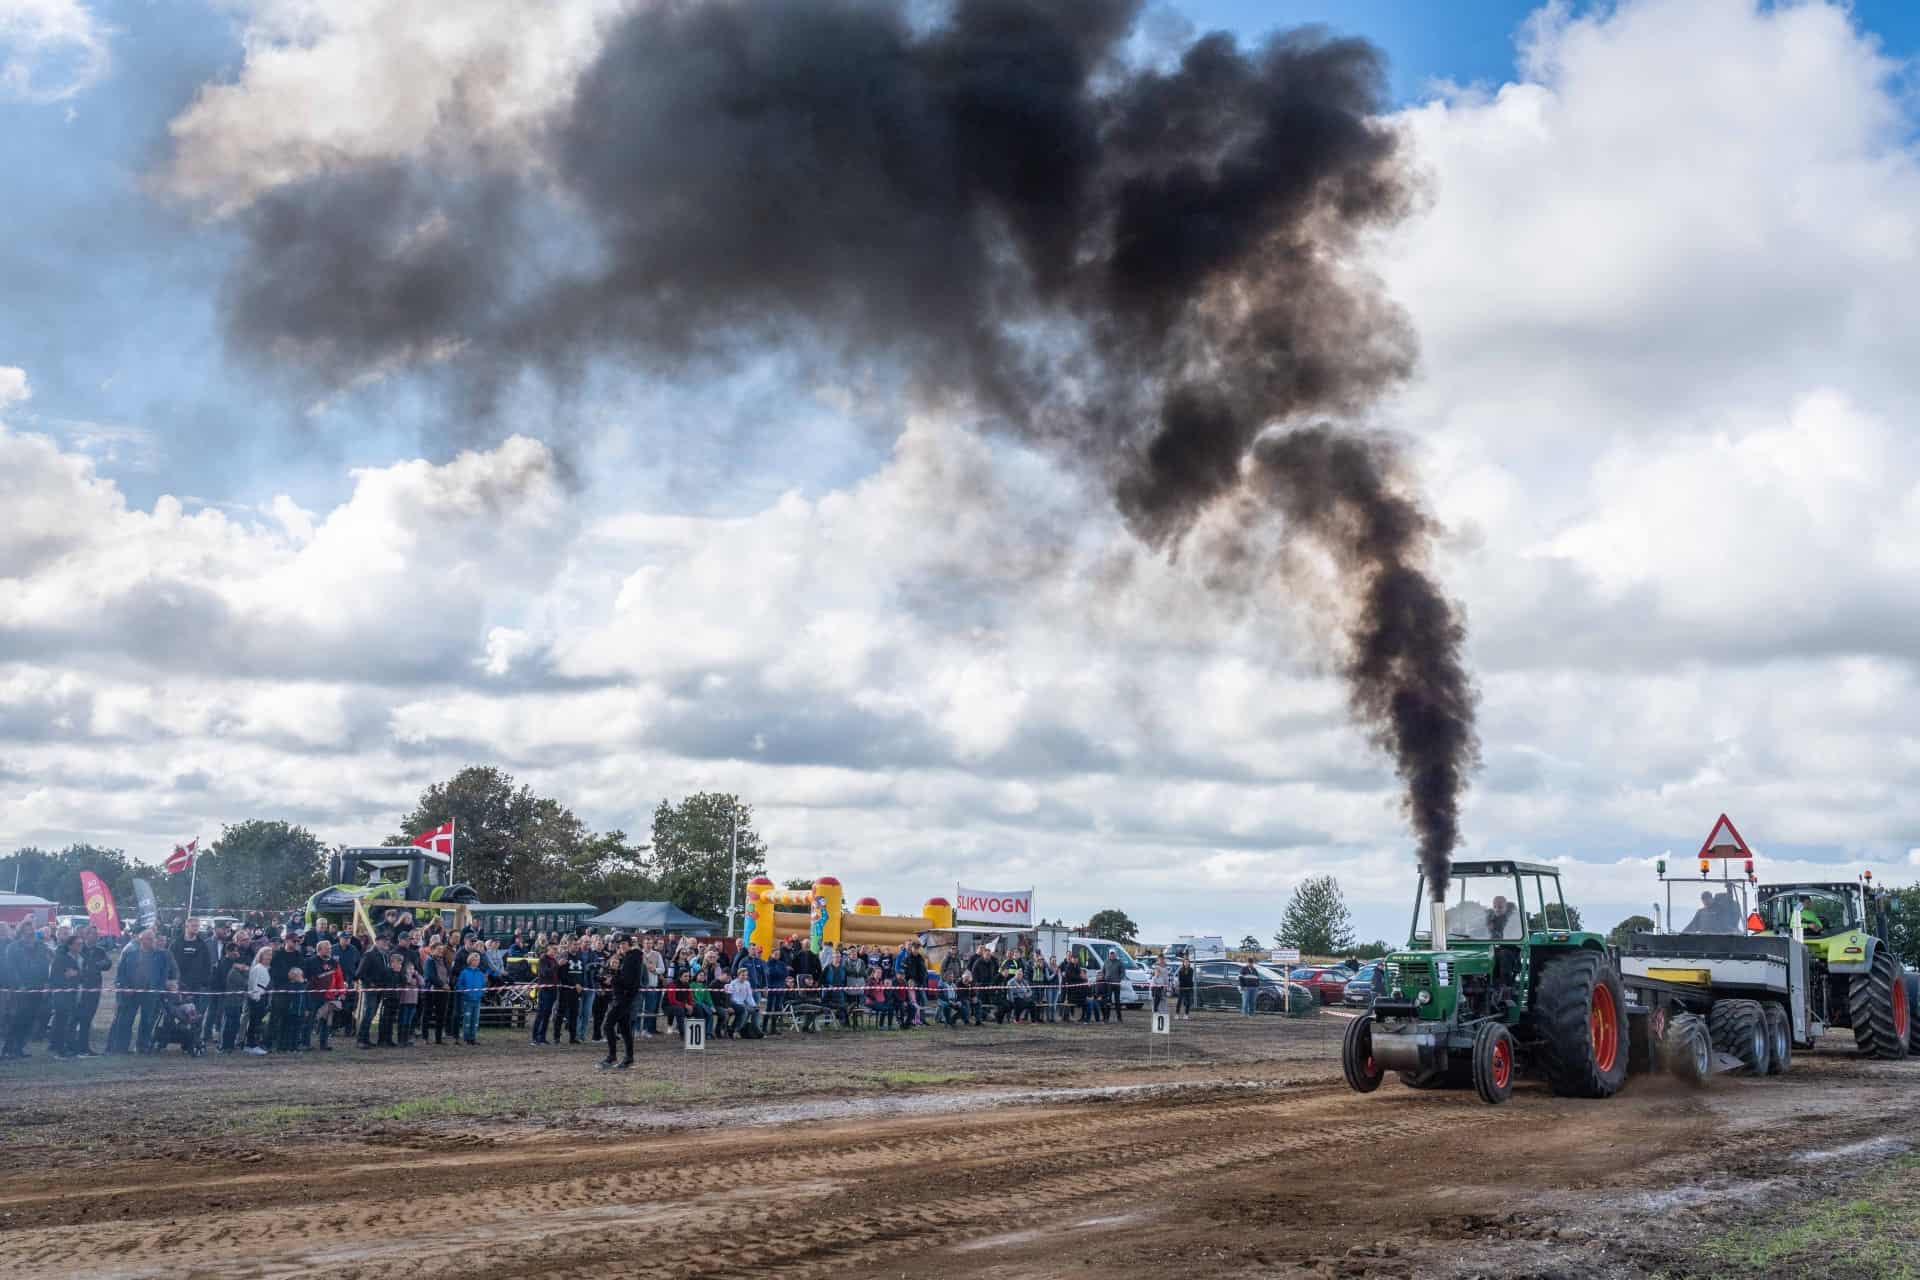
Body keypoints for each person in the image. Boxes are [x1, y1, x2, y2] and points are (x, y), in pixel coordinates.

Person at [600, 937, 641, 1070]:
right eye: (619, 944)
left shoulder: (630, 959)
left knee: (608, 1026)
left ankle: (612, 1057)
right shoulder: (628, 958)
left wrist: (612, 979)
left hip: (623, 998)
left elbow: (627, 982)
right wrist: (614, 975)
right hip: (623, 998)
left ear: (630, 945)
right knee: (625, 1029)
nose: (621, 946)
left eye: (624, 943)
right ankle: (628, 1058)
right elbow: (625, 978)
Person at [244, 945, 272, 1055]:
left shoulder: (266, 968)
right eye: (267, 955)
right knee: (254, 1022)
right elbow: (253, 985)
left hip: (263, 998)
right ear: (261, 956)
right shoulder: (257, 968)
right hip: (257, 999)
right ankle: (251, 1045)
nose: (269, 957)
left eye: (270, 955)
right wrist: (256, 998)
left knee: (259, 1022)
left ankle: (254, 1043)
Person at [455, 950, 488, 1044]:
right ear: (470, 960)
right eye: (475, 960)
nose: (476, 962)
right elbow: (460, 984)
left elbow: (483, 986)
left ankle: (473, 1037)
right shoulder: (464, 972)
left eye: (478, 960)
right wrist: (465, 993)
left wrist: (481, 994)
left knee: (475, 1020)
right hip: (467, 1000)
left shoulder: (480, 973)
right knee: (467, 1020)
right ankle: (466, 1037)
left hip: (477, 1000)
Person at [532, 944, 560, 1045]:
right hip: (545, 990)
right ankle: (535, 1038)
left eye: (556, 949)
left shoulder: (554, 960)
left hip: (553, 989)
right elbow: (544, 973)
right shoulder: (543, 959)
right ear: (548, 949)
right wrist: (557, 966)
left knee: (547, 1014)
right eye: (554, 949)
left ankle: (542, 1037)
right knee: (541, 1013)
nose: (555, 951)